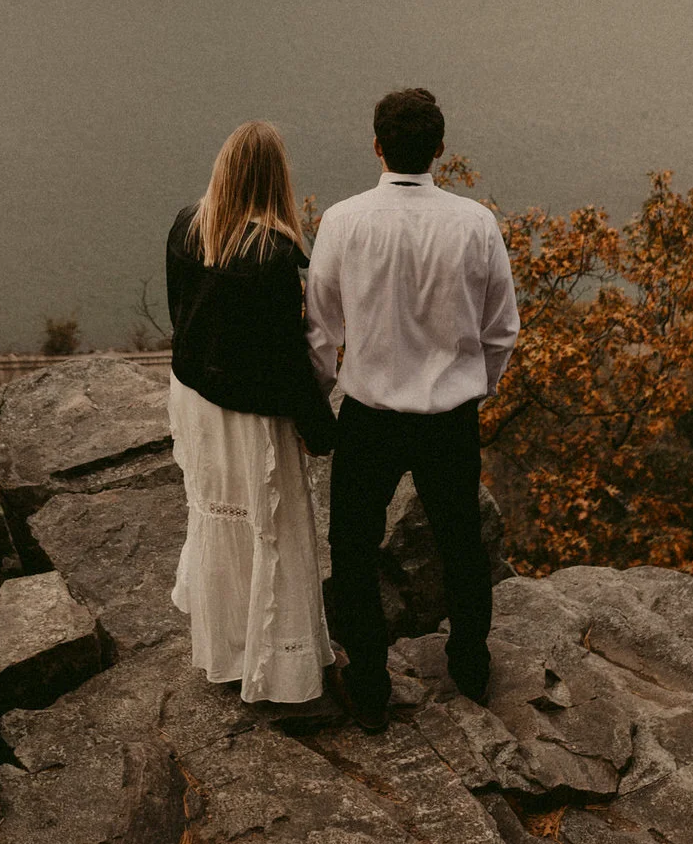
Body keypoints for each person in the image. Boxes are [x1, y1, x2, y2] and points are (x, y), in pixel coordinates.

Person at [307, 87, 518, 731]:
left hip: (369, 416)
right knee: (462, 545)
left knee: (352, 550)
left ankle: (369, 686)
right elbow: (501, 330)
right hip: (449, 419)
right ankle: (470, 667)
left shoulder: (342, 221)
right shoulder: (476, 223)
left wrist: (320, 402)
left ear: (376, 146)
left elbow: (320, 331)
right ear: (440, 149)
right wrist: (473, 387)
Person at [164, 120, 339, 705]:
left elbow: (180, 314)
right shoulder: (273, 257)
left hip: (195, 398)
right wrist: (319, 428)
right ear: (275, 179)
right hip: (251, 416)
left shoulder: (187, 226)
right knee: (272, 530)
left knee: (220, 518)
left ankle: (230, 647)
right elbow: (287, 360)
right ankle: (280, 672)